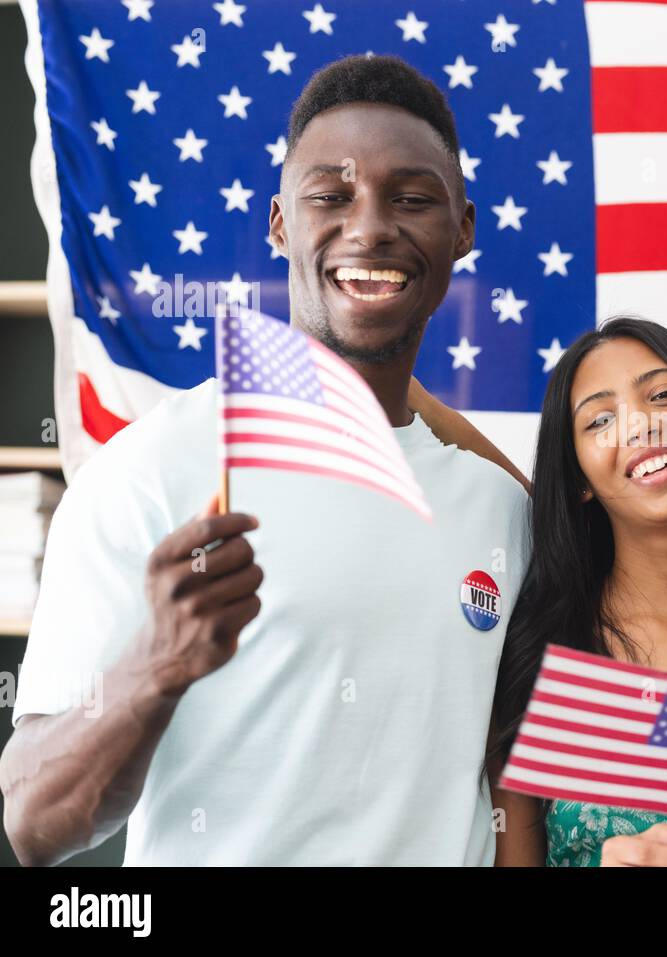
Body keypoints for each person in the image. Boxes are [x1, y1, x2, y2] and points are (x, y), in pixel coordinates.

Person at [0, 55, 528, 866]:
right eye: (332, 196)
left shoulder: (501, 510)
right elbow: (34, 823)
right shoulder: (155, 469)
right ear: (281, 223)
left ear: (462, 228)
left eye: (412, 198)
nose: (370, 227)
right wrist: (156, 666)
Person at [417, 318, 667, 866]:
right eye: (600, 420)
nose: (640, 426)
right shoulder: (543, 644)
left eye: (662, 395)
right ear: (579, 476)